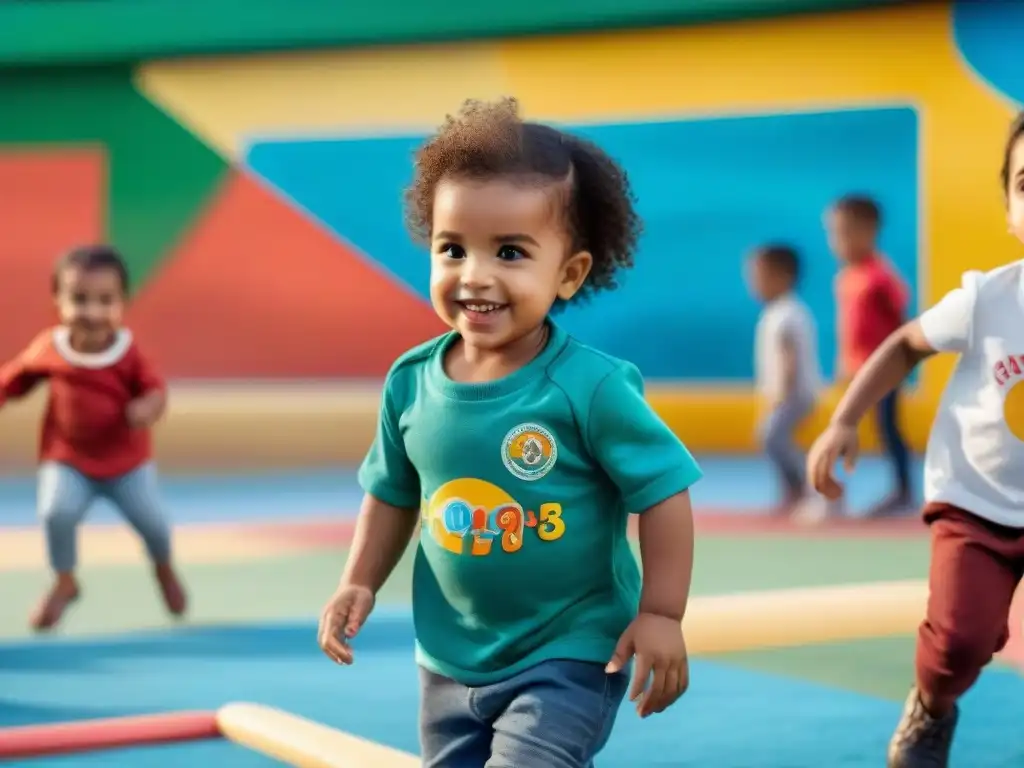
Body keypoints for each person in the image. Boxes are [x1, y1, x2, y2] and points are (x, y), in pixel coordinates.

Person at [317, 97, 702, 768]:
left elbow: (664, 491)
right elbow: (391, 492)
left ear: (568, 274)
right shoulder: (410, 382)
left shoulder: (590, 387)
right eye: (452, 248)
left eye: (510, 252)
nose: (475, 275)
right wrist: (359, 580)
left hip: (569, 651)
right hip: (448, 657)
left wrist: (662, 613)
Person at [806, 111, 1024, 768]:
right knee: (959, 641)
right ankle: (931, 704)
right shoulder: (988, 298)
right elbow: (903, 343)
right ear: (1010, 209)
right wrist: (846, 419)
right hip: (977, 502)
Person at [0, 245, 187, 631]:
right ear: (58, 300)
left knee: (153, 523)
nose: (92, 312)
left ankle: (163, 568)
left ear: (122, 303)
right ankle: (64, 581)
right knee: (55, 513)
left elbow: (155, 390)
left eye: (105, 301)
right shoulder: (51, 348)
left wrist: (145, 408)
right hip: (68, 459)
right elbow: (15, 379)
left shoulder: (127, 353)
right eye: (79, 299)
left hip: (127, 465)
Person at [825, 194, 913, 516]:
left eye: (846, 233)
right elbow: (848, 327)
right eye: (834, 234)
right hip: (854, 369)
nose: (839, 242)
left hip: (882, 372)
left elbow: (901, 321)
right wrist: (843, 361)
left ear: (870, 231)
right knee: (840, 426)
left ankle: (903, 490)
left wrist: (900, 362)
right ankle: (831, 491)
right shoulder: (846, 277)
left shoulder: (880, 276)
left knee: (889, 428)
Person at [748, 244, 821, 515]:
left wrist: (782, 392)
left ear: (784, 277)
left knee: (771, 436)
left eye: (761, 277)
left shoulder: (788, 313)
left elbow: (789, 356)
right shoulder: (775, 312)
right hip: (786, 393)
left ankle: (803, 486)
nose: (755, 284)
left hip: (795, 394)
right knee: (773, 437)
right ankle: (792, 490)